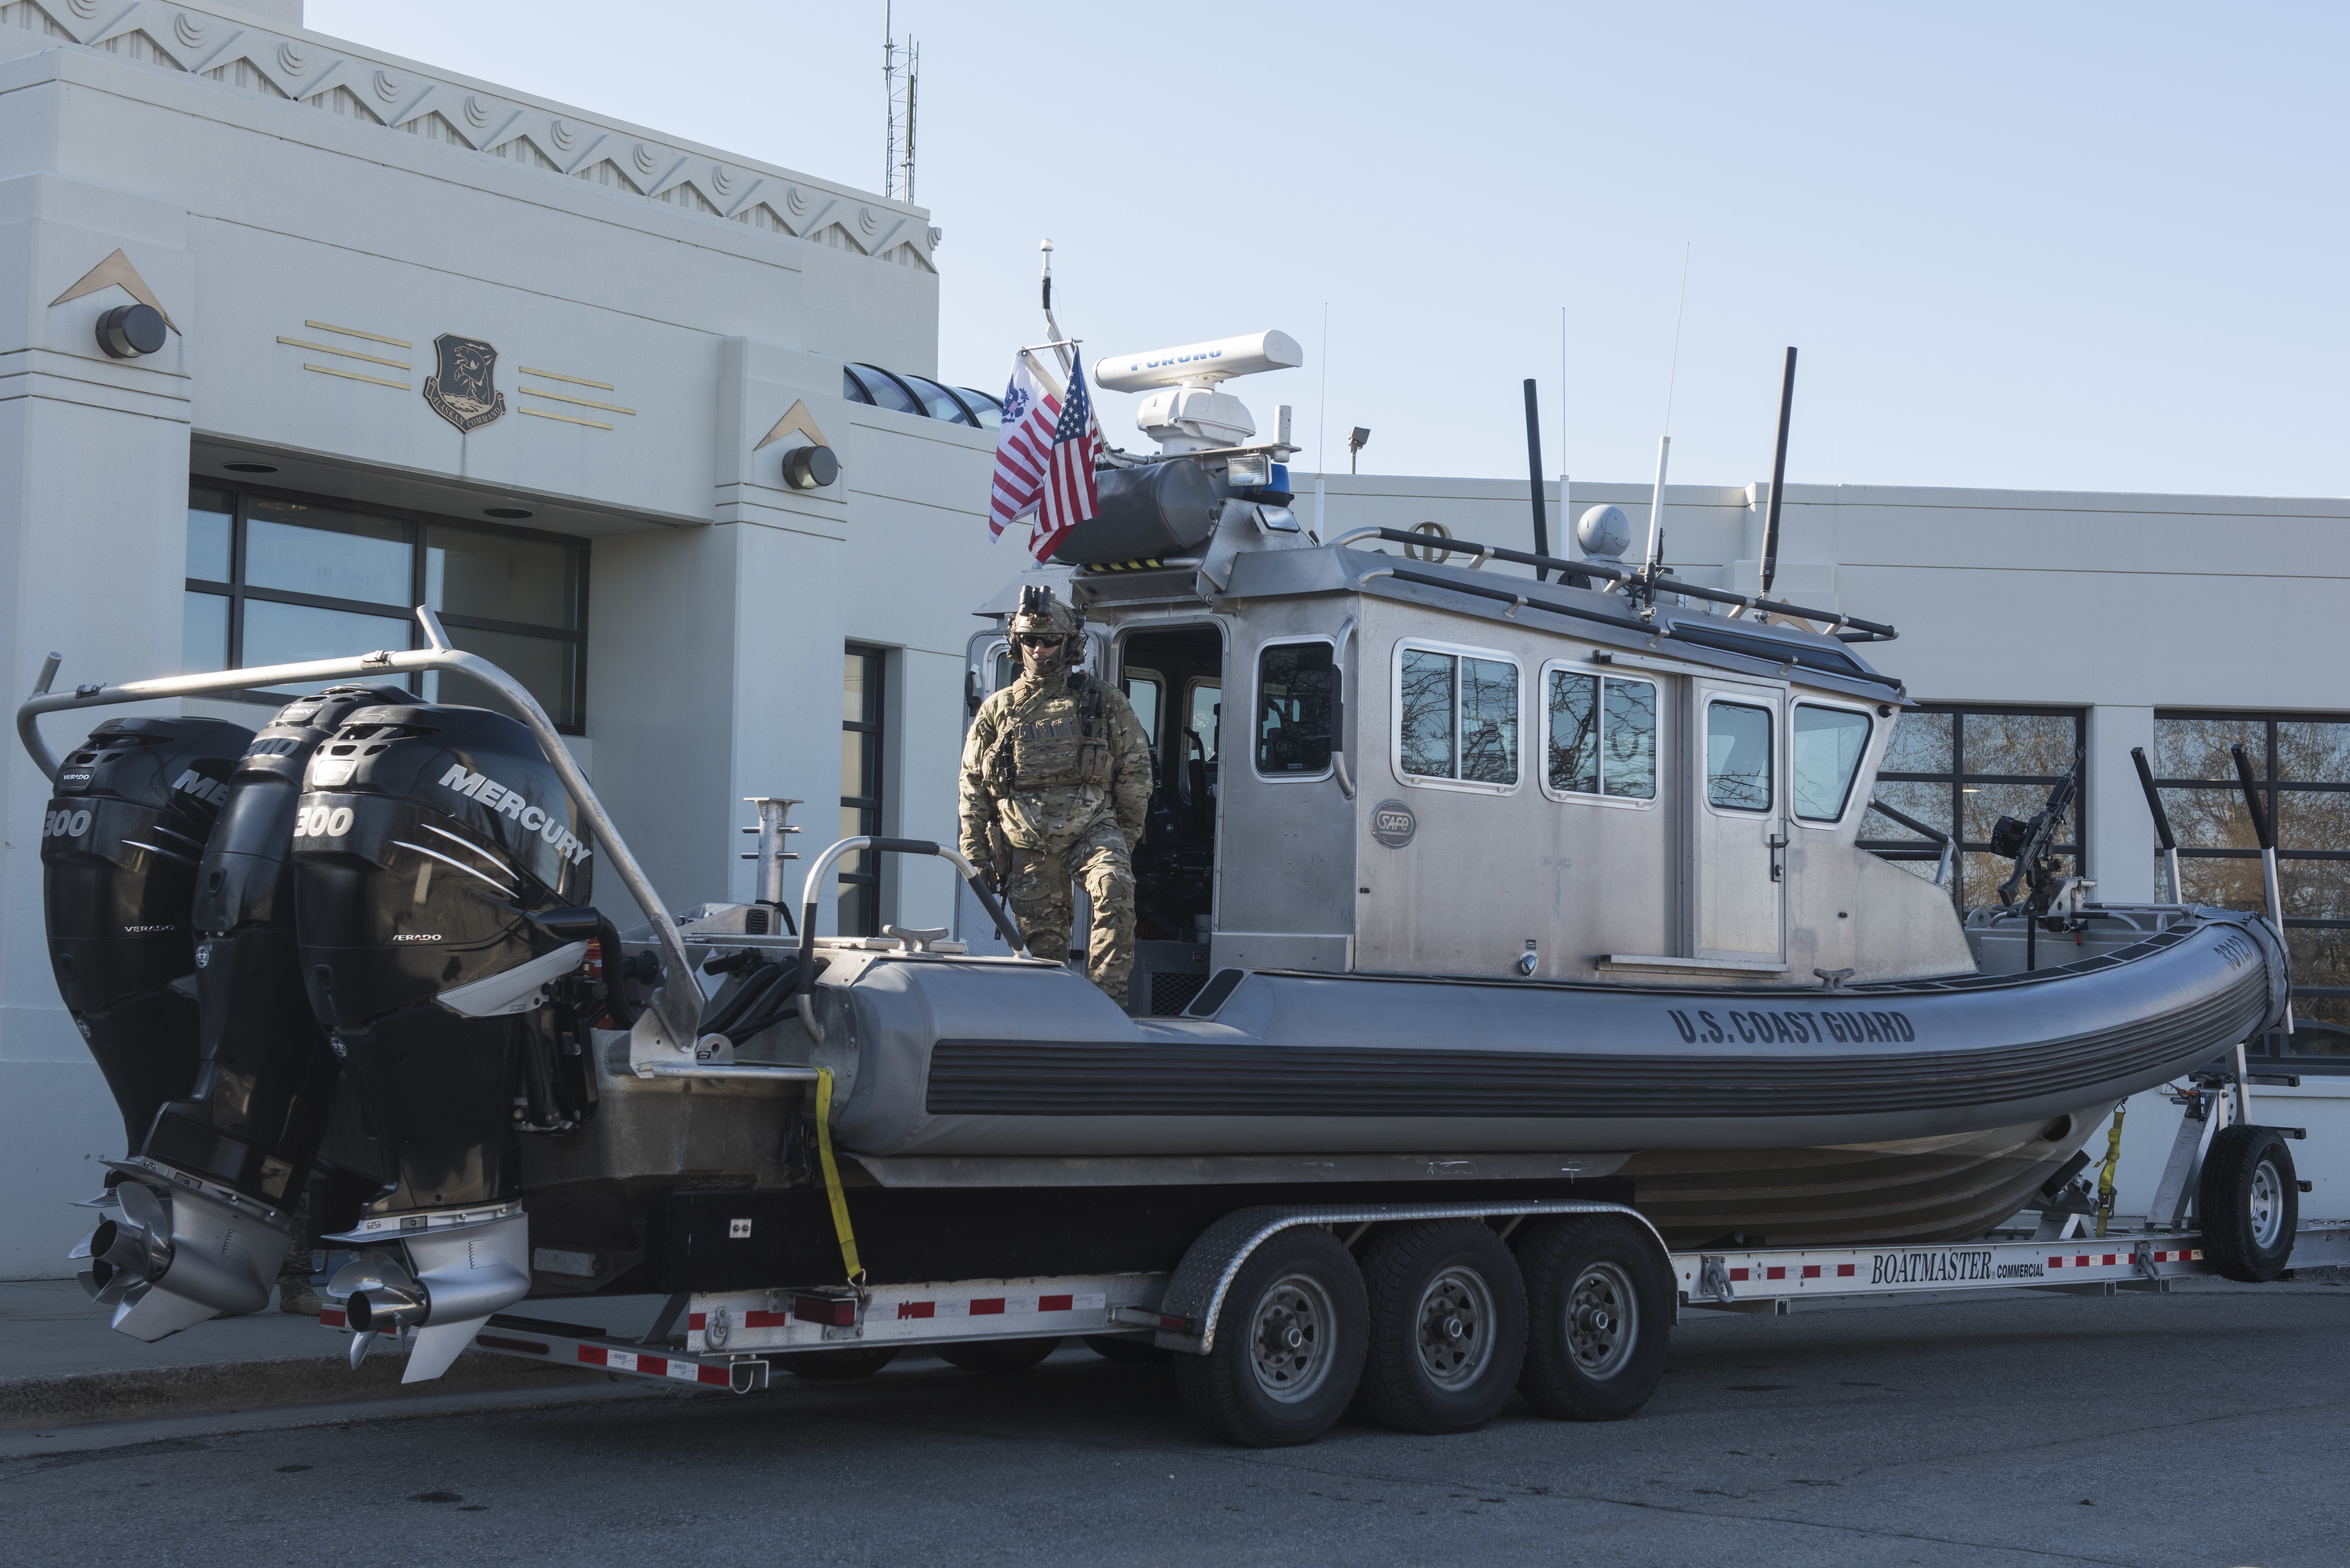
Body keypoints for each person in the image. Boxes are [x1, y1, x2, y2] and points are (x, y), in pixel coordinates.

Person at [959, 585, 1153, 1004]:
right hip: (1026, 840)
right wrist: (976, 855)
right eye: (1030, 639)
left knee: (1116, 889)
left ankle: (1106, 1005)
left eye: (1049, 640)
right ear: (1017, 644)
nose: (1039, 649)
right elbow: (973, 786)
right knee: (1044, 950)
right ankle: (1055, 1024)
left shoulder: (1103, 701)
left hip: (1091, 828)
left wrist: (1124, 839)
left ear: (1069, 645)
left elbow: (1136, 771)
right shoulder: (997, 709)